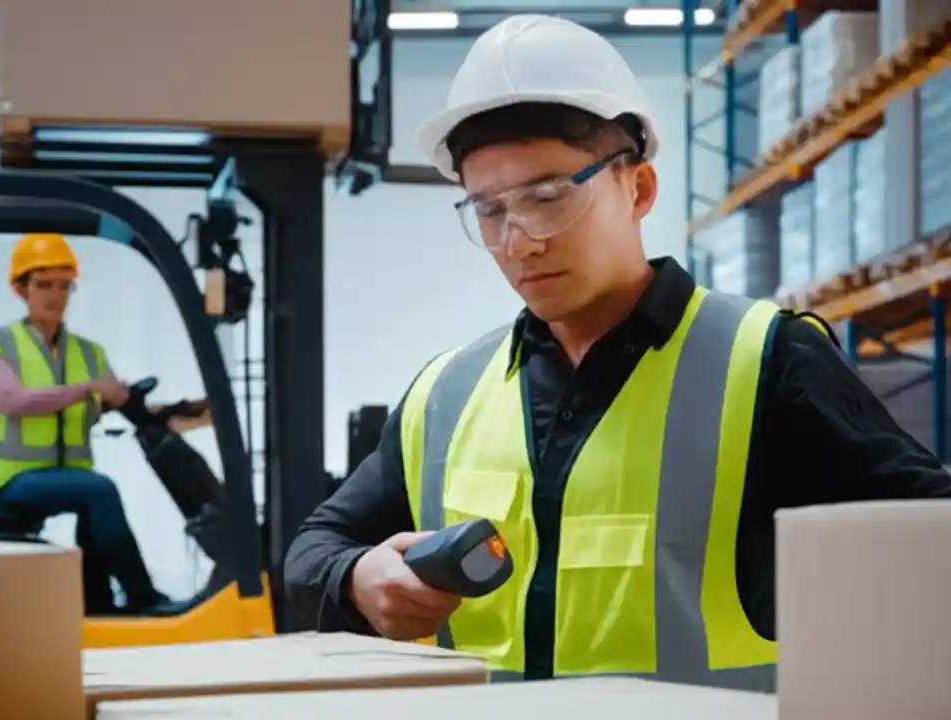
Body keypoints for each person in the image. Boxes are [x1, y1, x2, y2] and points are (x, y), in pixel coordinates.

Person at [283, 14, 951, 690]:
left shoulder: (767, 362)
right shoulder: (444, 396)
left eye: (548, 198)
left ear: (639, 188)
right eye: (488, 211)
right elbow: (313, 550)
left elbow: (929, 544)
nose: (519, 241)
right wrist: (358, 578)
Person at [0, 232, 170, 615]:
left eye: (64, 286)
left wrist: (144, 406)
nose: (55, 296)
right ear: (21, 290)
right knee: (99, 491)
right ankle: (144, 598)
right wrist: (89, 388)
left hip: (65, 474)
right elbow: (14, 401)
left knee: (93, 502)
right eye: (44, 285)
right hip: (11, 477)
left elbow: (99, 405)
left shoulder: (88, 353)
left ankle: (98, 605)